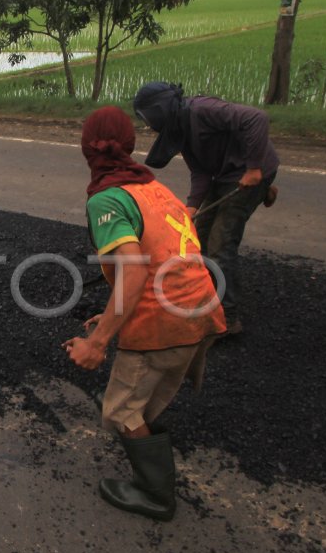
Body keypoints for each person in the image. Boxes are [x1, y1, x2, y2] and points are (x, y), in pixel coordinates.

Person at [63, 106, 226, 522]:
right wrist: (110, 317)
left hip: (163, 323)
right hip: (200, 308)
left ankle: (156, 495)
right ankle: (151, 449)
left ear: (86, 149)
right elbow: (162, 256)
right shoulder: (154, 187)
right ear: (131, 146)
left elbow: (135, 270)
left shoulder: (107, 200)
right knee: (142, 400)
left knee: (120, 411)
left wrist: (98, 344)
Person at [132, 82, 280, 335]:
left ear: (159, 110)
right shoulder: (179, 128)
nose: (148, 125)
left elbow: (257, 118)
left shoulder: (203, 110)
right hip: (223, 174)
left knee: (220, 245)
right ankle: (202, 296)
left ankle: (227, 319)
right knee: (196, 239)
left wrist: (254, 168)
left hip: (247, 173)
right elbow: (200, 170)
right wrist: (191, 208)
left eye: (148, 118)